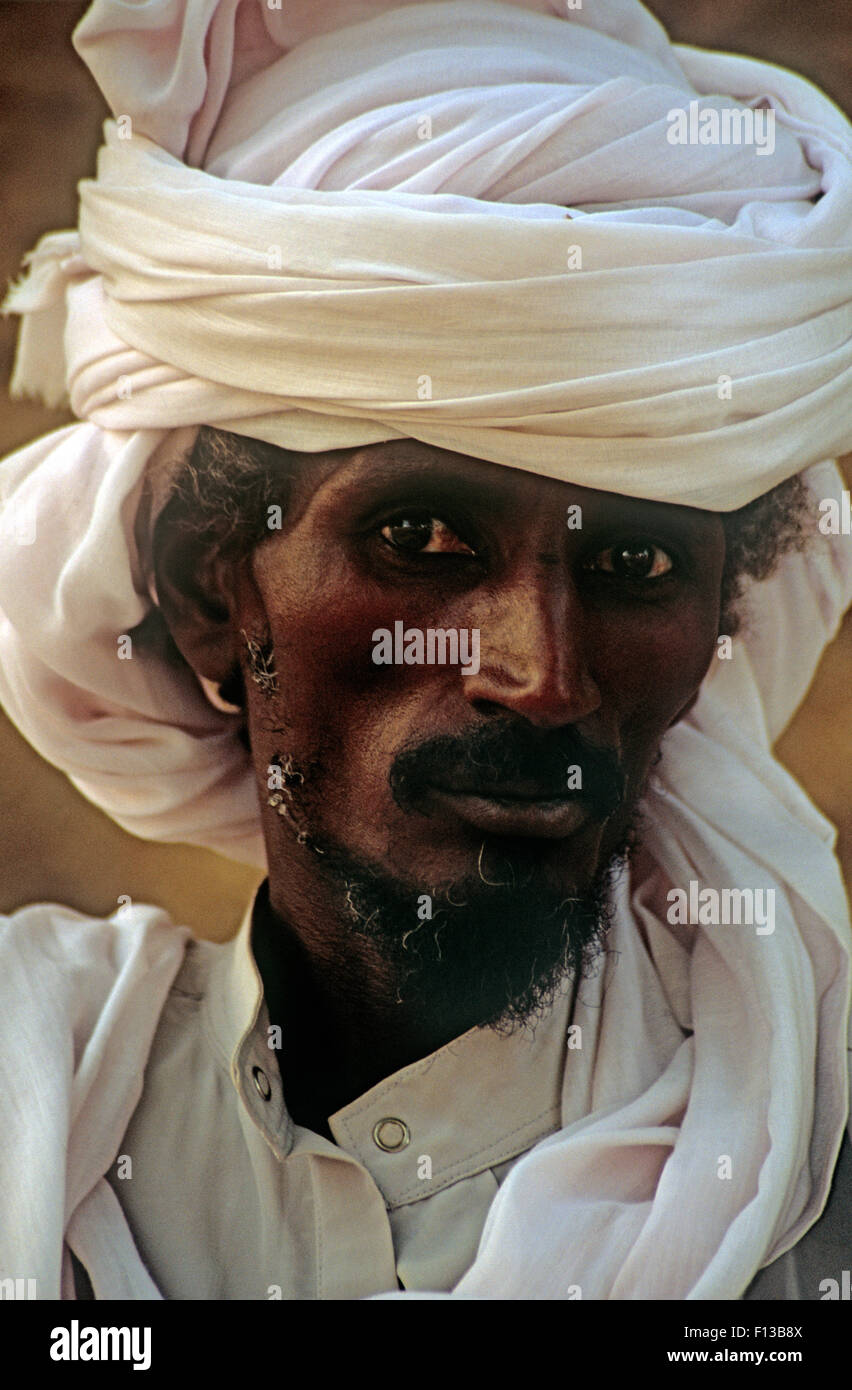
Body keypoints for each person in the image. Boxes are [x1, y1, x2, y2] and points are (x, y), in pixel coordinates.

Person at [0, 0, 850, 1301]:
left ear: (715, 621)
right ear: (208, 594)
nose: (543, 673)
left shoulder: (819, 1170)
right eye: (421, 535)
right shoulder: (38, 1108)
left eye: (635, 565)